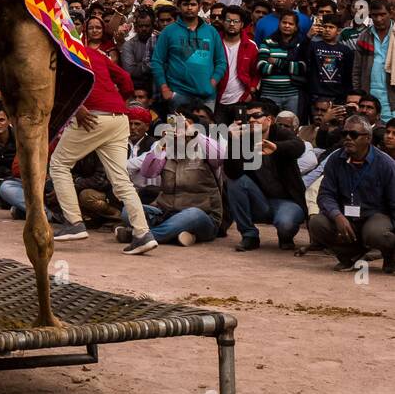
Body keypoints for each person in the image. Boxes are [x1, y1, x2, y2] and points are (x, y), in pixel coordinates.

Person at [49, 34, 157, 254]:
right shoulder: (92, 53)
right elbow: (125, 78)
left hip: (93, 116)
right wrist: (121, 101)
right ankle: (142, 233)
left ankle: (74, 222)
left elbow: (60, 87)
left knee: (59, 164)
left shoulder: (61, 54)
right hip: (118, 118)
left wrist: (78, 107)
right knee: (121, 180)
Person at [307, 115, 395, 273]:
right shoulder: (335, 159)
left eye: (353, 135)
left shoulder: (385, 164)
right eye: (344, 134)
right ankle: (350, 255)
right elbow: (325, 194)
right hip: (346, 216)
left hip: (376, 216)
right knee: (317, 223)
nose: (347, 138)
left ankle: (391, 255)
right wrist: (336, 215)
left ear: (368, 138)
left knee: (376, 232)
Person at [123, 110, 225, 246]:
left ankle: (142, 236)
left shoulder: (204, 150)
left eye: (183, 127)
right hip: (165, 213)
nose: (179, 131)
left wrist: (193, 132)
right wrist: (163, 142)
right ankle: (177, 235)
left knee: (192, 214)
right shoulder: (166, 151)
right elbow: (148, 171)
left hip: (203, 216)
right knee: (127, 211)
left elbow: (219, 157)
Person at [224, 100, 307, 252]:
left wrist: (277, 147)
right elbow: (232, 173)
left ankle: (286, 237)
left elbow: (299, 147)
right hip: (260, 200)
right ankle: (249, 235)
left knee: (286, 225)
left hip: (287, 201)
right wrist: (234, 141)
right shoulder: (243, 137)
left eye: (257, 115)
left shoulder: (279, 133)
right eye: (248, 117)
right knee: (235, 181)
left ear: (269, 120)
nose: (251, 120)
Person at [150, 0, 225, 114]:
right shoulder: (169, 31)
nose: (189, 8)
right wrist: (164, 88)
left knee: (206, 132)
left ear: (200, 6)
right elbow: (157, 61)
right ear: (179, 7)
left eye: (193, 4)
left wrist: (212, 83)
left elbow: (221, 61)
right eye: (185, 4)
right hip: (178, 94)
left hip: (207, 96)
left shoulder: (211, 31)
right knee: (178, 132)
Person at [256, 9, 311, 120]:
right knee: (268, 126)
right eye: (284, 22)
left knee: (290, 126)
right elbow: (261, 67)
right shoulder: (268, 42)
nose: (287, 25)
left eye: (290, 24)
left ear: (296, 27)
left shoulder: (300, 45)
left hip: (292, 95)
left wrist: (277, 62)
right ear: (279, 24)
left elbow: (302, 68)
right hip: (269, 94)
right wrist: (290, 66)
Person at [350, 0, 394, 124]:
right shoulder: (364, 36)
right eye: (375, 15)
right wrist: (358, 94)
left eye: (382, 14)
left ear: (390, 13)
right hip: (370, 96)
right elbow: (357, 69)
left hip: (392, 95)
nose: (379, 19)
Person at [214, 5, 260, 123]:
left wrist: (251, 91)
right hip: (216, 100)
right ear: (223, 22)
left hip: (241, 100)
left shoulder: (251, 45)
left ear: (242, 24)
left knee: (242, 138)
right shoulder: (214, 43)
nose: (232, 24)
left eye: (236, 21)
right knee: (217, 136)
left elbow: (256, 73)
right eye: (228, 20)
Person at [306, 12, 352, 106]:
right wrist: (308, 37)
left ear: (338, 30)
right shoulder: (313, 46)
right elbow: (300, 54)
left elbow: (348, 74)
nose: (327, 30)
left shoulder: (345, 50)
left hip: (338, 96)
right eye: (325, 27)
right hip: (316, 95)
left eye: (331, 27)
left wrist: (345, 94)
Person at [120, 8, 155, 95]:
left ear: (153, 26)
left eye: (147, 26)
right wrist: (155, 63)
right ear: (135, 27)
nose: (144, 29)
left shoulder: (160, 40)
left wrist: (140, 65)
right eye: (140, 26)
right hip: (137, 88)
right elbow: (130, 71)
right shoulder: (128, 45)